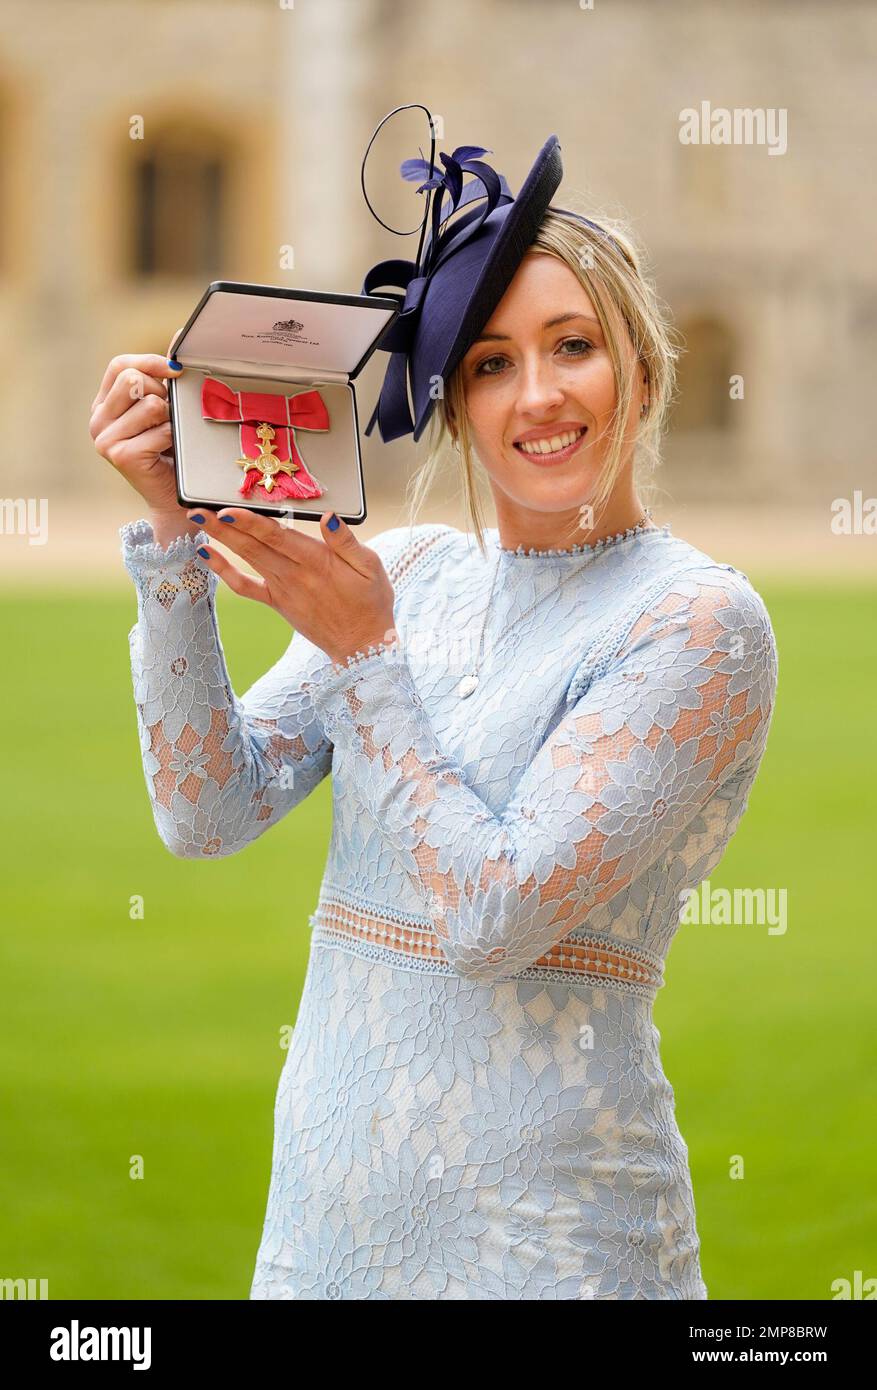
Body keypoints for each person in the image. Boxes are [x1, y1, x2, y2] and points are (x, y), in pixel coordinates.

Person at [90, 120, 778, 1300]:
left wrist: (365, 657)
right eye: (492, 363)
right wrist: (169, 538)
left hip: (547, 1238)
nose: (541, 393)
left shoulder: (696, 622)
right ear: (454, 401)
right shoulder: (407, 574)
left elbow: (493, 917)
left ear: (646, 368)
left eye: (574, 346)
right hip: (321, 1227)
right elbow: (205, 810)